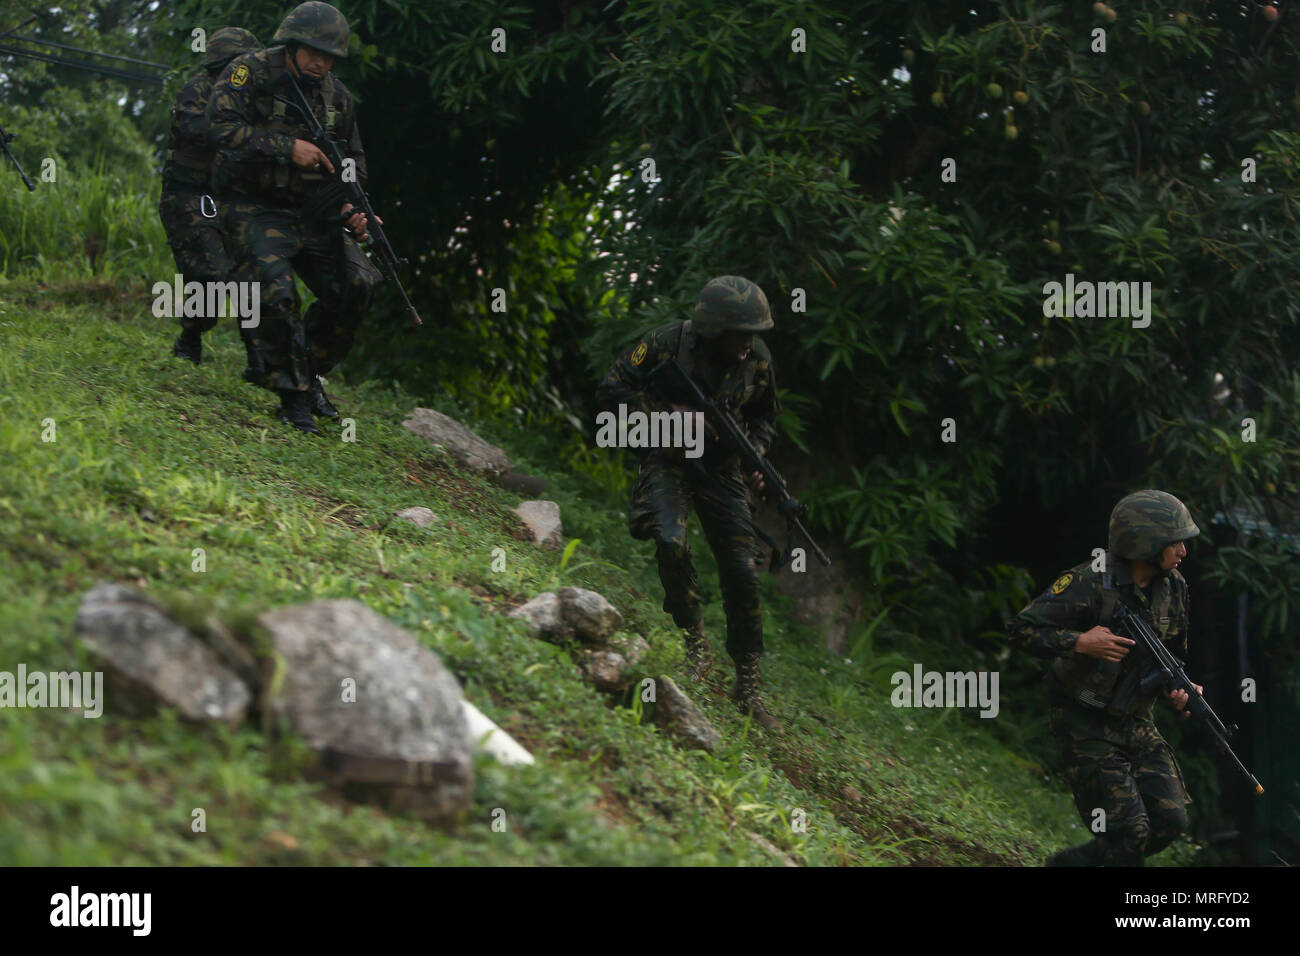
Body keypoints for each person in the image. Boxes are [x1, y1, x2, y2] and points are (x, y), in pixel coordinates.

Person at [596, 275, 785, 733]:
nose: (748, 343)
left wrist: (754, 459)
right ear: (714, 329)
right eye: (741, 333)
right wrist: (669, 420)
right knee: (670, 541)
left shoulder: (758, 361)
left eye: (753, 334)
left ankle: (748, 684)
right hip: (668, 456)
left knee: (741, 567)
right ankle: (696, 643)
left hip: (720, 469)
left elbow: (763, 418)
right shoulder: (667, 343)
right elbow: (612, 390)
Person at [206, 1, 381, 434]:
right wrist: (287, 148)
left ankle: (310, 375)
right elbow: (218, 126)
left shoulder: (337, 97)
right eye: (313, 52)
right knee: (276, 289)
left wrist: (353, 206)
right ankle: (292, 395)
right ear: (293, 43)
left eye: (329, 56)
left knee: (359, 283)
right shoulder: (250, 72)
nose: (320, 62)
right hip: (251, 203)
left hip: (313, 211)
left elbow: (352, 158)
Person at [1006, 489, 1204, 865]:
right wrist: (1080, 641)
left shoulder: (1174, 588)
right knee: (1129, 832)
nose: (1183, 552)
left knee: (1170, 820)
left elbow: (1171, 655)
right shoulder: (1090, 580)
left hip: (1134, 720)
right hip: (1083, 720)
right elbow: (1020, 630)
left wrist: (1179, 687)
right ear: (1146, 542)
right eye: (1174, 542)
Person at [158, 26, 263, 369]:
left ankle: (258, 356)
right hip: (189, 196)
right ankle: (190, 337)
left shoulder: (252, 98)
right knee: (211, 277)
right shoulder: (197, 91)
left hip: (233, 198)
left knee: (252, 277)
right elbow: (199, 131)